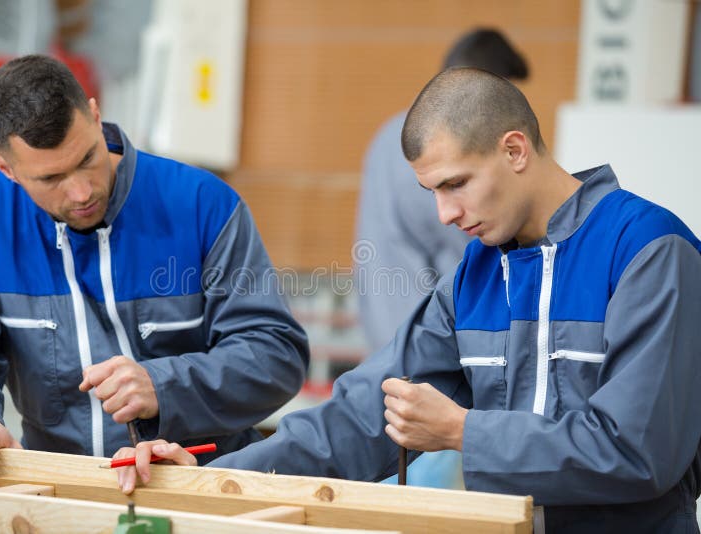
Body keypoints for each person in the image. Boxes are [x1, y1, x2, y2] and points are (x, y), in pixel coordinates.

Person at [115, 68, 701, 533]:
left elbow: (637, 451)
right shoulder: (478, 276)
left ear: (515, 150)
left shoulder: (648, 253)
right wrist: (215, 480)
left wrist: (465, 433)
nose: (445, 215)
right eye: (432, 192)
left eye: (455, 184)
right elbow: (363, 414)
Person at [0, 55, 309, 491]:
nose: (80, 192)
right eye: (52, 177)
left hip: (200, 487)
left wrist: (166, 386)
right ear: (8, 170)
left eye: (87, 159)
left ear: (96, 117)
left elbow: (275, 354)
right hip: (58, 492)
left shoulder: (202, 204)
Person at [356, 28, 528, 488]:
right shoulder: (445, 156)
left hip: (387, 340)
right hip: (437, 364)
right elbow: (478, 260)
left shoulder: (390, 136)